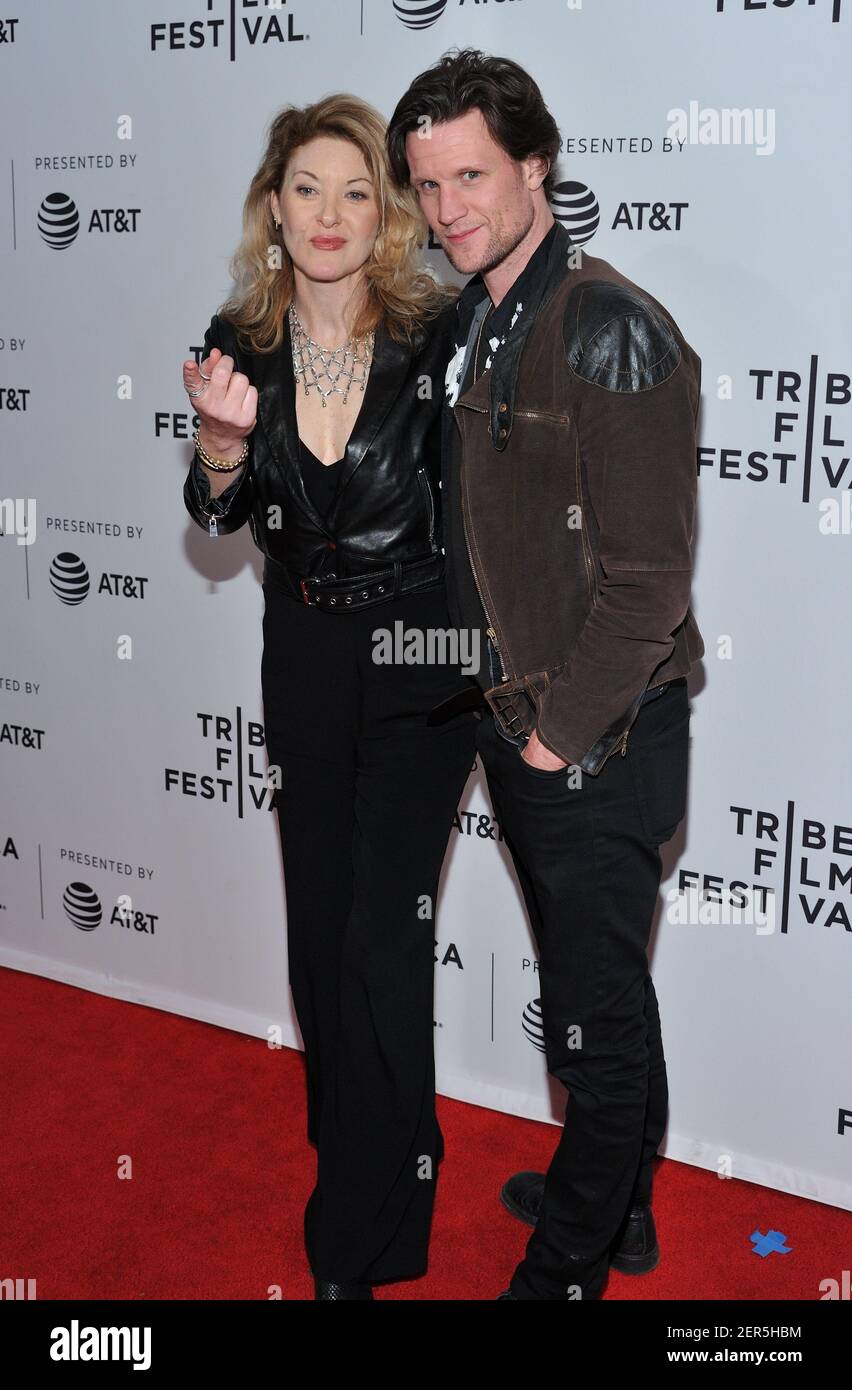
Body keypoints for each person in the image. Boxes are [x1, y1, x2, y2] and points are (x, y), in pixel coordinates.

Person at [387, 49, 705, 1300]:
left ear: (536, 167)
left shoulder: (606, 326)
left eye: (471, 176)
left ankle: (568, 1265)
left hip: (597, 737)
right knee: (603, 991)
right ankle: (621, 1210)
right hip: (531, 725)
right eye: (427, 185)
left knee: (595, 1016)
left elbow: (648, 585)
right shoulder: (481, 317)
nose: (447, 208)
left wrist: (551, 740)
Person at [181, 94, 477, 1300]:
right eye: (307, 187)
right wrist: (217, 445)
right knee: (319, 937)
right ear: (273, 205)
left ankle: (359, 1234)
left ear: (387, 213)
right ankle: (371, 1144)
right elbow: (217, 512)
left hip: (421, 659)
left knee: (380, 941)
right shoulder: (238, 337)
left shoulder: (439, 331)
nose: (330, 213)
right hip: (302, 650)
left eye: (357, 190)